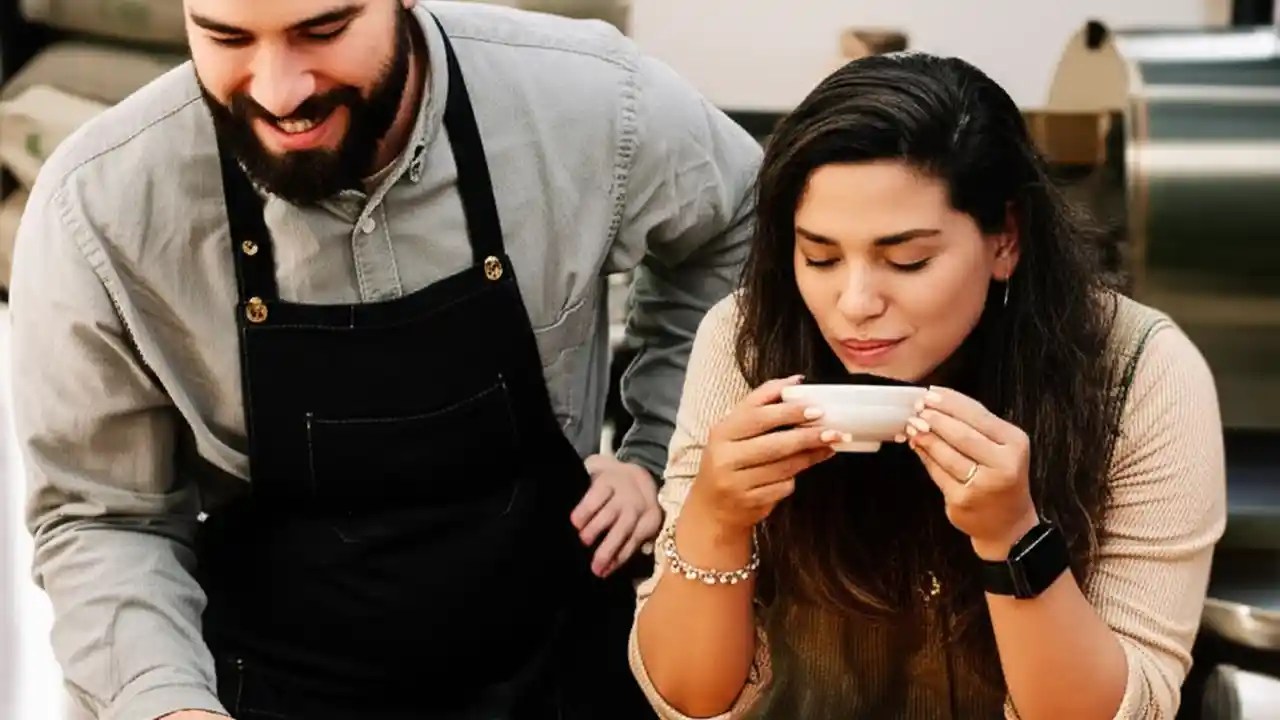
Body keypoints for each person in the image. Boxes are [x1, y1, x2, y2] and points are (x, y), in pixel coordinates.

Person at [9, 1, 761, 718]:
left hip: (557, 674)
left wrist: (665, 453)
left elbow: (741, 220)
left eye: (323, 29)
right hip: (263, 689)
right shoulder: (100, 208)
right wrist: (164, 703)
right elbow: (103, 518)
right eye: (228, 39)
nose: (279, 90)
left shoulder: (589, 101)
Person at [630, 52, 1227, 719]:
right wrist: (717, 517)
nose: (854, 303)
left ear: (1006, 239)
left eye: (907, 261)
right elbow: (688, 697)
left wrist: (1014, 539)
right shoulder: (747, 338)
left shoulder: (1140, 373)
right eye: (819, 256)